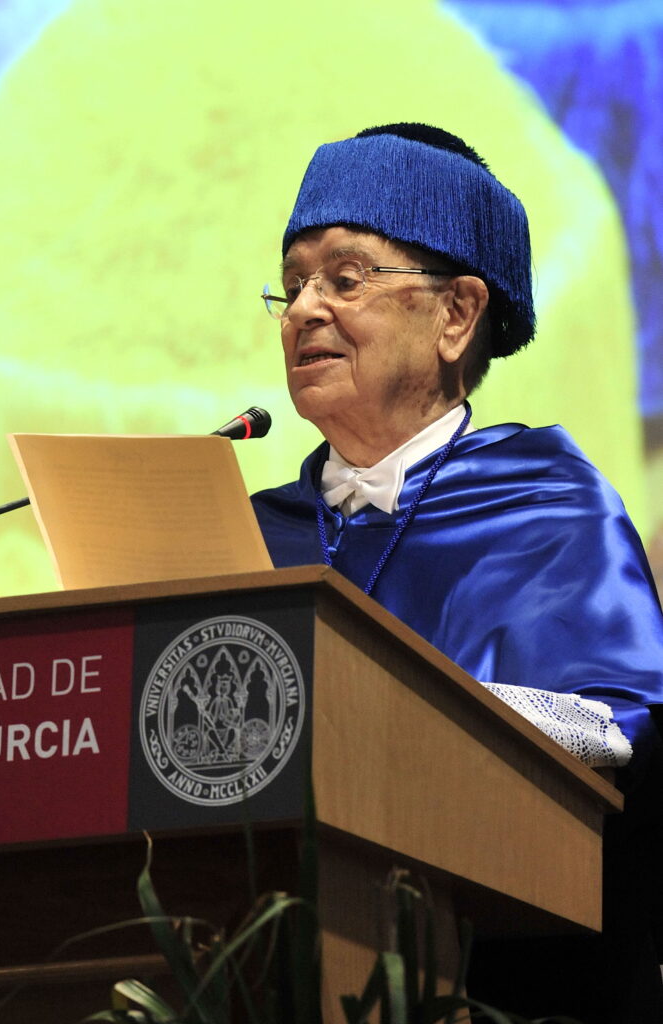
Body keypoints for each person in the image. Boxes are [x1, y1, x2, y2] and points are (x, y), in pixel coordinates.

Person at [250, 123, 663, 1022]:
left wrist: (374, 720)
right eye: (290, 285)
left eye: (345, 278)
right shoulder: (252, 534)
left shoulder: (549, 508)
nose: (303, 310)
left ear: (455, 315)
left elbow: (610, 732)